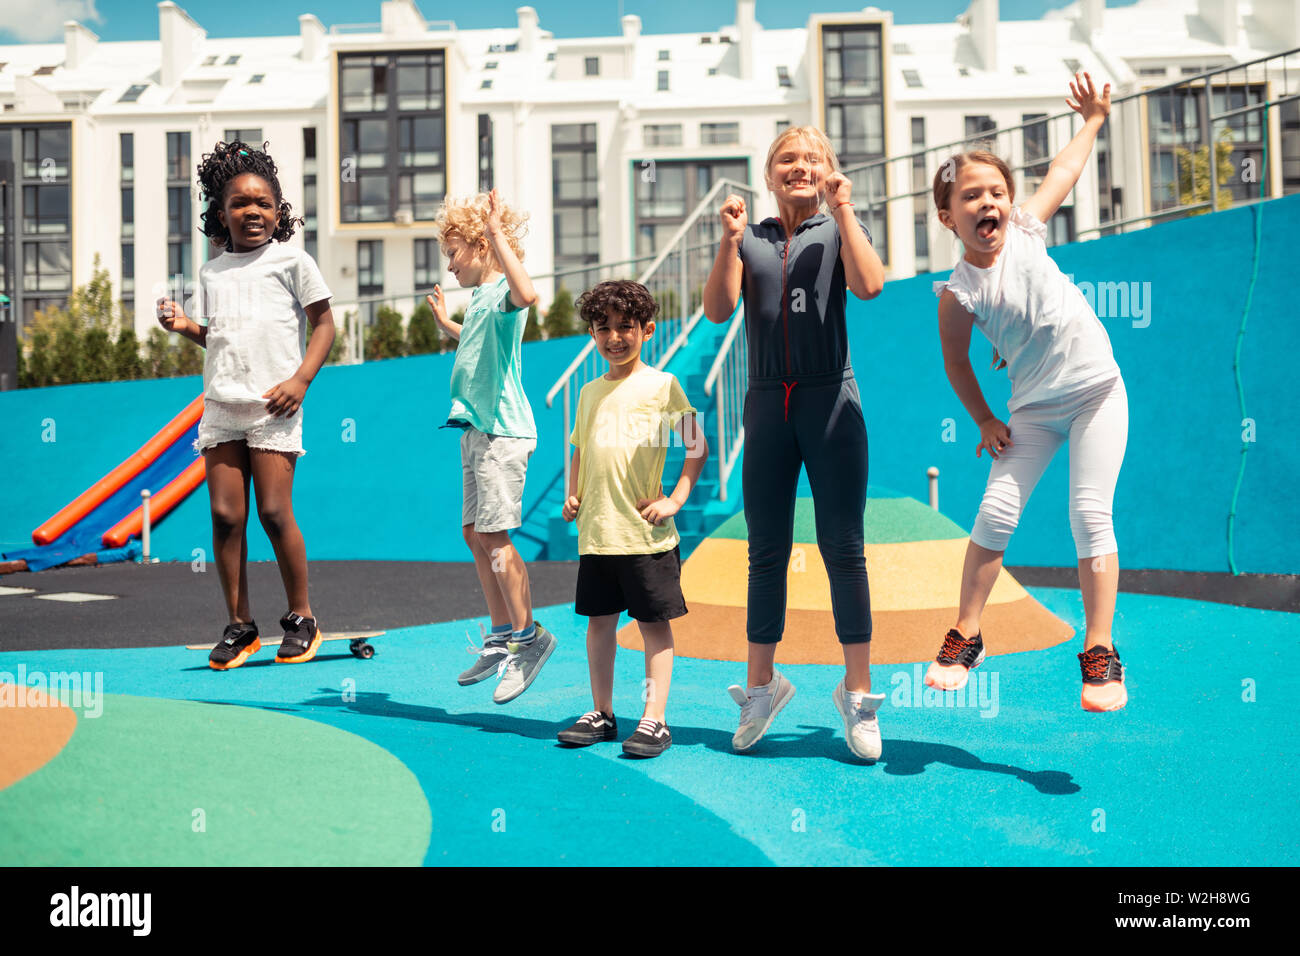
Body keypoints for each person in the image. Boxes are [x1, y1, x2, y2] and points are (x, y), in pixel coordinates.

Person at [926, 73, 1129, 712]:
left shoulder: (1026, 229)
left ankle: (1100, 651)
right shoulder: (957, 293)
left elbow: (1064, 171)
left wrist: (1093, 120)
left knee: (1089, 514)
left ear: (1009, 202)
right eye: (970, 196)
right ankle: (968, 633)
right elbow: (956, 363)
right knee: (995, 514)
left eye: (996, 192)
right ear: (948, 217)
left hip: (1097, 390)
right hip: (1033, 409)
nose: (987, 202)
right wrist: (985, 420)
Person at [702, 125, 887, 760]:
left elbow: (870, 285)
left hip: (831, 401)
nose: (799, 167)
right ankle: (762, 686)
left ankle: (857, 694)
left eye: (812, 159)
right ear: (769, 173)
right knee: (765, 551)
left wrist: (845, 207)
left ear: (829, 169)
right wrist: (729, 241)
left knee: (843, 548)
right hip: (766, 405)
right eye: (787, 159)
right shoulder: (750, 237)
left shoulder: (839, 227)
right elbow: (718, 310)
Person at [156, 140, 334, 670]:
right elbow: (220, 338)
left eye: (263, 203)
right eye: (239, 203)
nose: (252, 211)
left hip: (274, 406)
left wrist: (301, 381)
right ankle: (241, 626)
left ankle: (302, 618)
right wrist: (186, 327)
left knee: (274, 512)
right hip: (222, 406)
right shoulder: (212, 273)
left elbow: (325, 325)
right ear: (220, 213)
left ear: (278, 212)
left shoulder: (292, 260)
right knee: (225, 516)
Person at [556, 280, 708, 758]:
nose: (614, 337)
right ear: (592, 334)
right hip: (598, 534)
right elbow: (580, 450)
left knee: (652, 626)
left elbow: (697, 445)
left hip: (645, 535)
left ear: (648, 330)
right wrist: (573, 495)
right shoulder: (588, 393)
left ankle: (654, 719)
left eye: (625, 327)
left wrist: (676, 499)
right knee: (598, 624)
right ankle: (602, 713)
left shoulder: (663, 385)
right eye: (603, 328)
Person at [425, 189, 555, 704]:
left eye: (453, 252)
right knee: (473, 533)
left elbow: (528, 296)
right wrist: (446, 325)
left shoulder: (503, 290)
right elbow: (479, 342)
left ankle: (529, 637)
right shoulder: (480, 299)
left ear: (481, 246)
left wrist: (498, 233)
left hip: (503, 432)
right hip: (476, 431)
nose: (449, 264)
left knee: (494, 536)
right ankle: (501, 634)